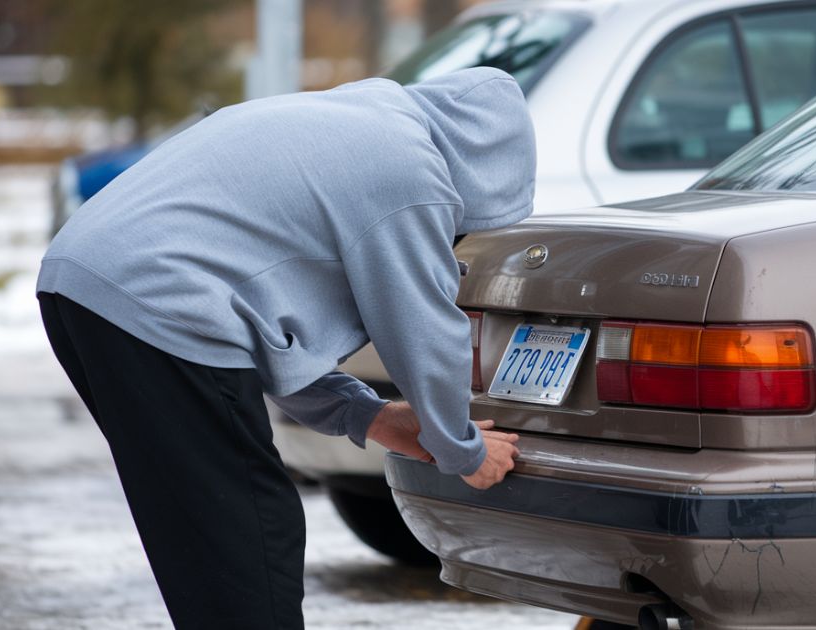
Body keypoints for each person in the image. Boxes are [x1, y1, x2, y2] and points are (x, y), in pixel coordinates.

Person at [35, 67, 532, 630]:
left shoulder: (347, 125)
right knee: (248, 531)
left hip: (82, 286)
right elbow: (425, 327)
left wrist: (368, 416)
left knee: (204, 533)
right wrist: (462, 450)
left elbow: (263, 334)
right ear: (485, 168)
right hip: (157, 301)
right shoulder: (409, 172)